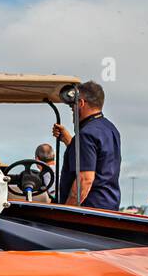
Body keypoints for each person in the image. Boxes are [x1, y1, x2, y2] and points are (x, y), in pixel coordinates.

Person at [52, 81, 121, 210]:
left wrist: (65, 212)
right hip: (108, 207)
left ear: (81, 103)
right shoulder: (110, 129)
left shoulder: (86, 135)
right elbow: (98, 161)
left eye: (73, 108)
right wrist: (70, 143)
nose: (73, 112)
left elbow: (85, 180)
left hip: (89, 210)